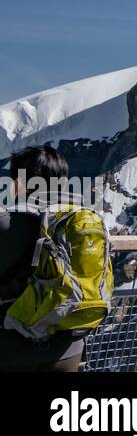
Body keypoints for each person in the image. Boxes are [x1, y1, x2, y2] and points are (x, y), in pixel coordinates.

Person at [0, 145, 103, 372]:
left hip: (11, 349)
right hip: (70, 349)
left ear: (18, 183)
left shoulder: (7, 223)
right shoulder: (82, 223)